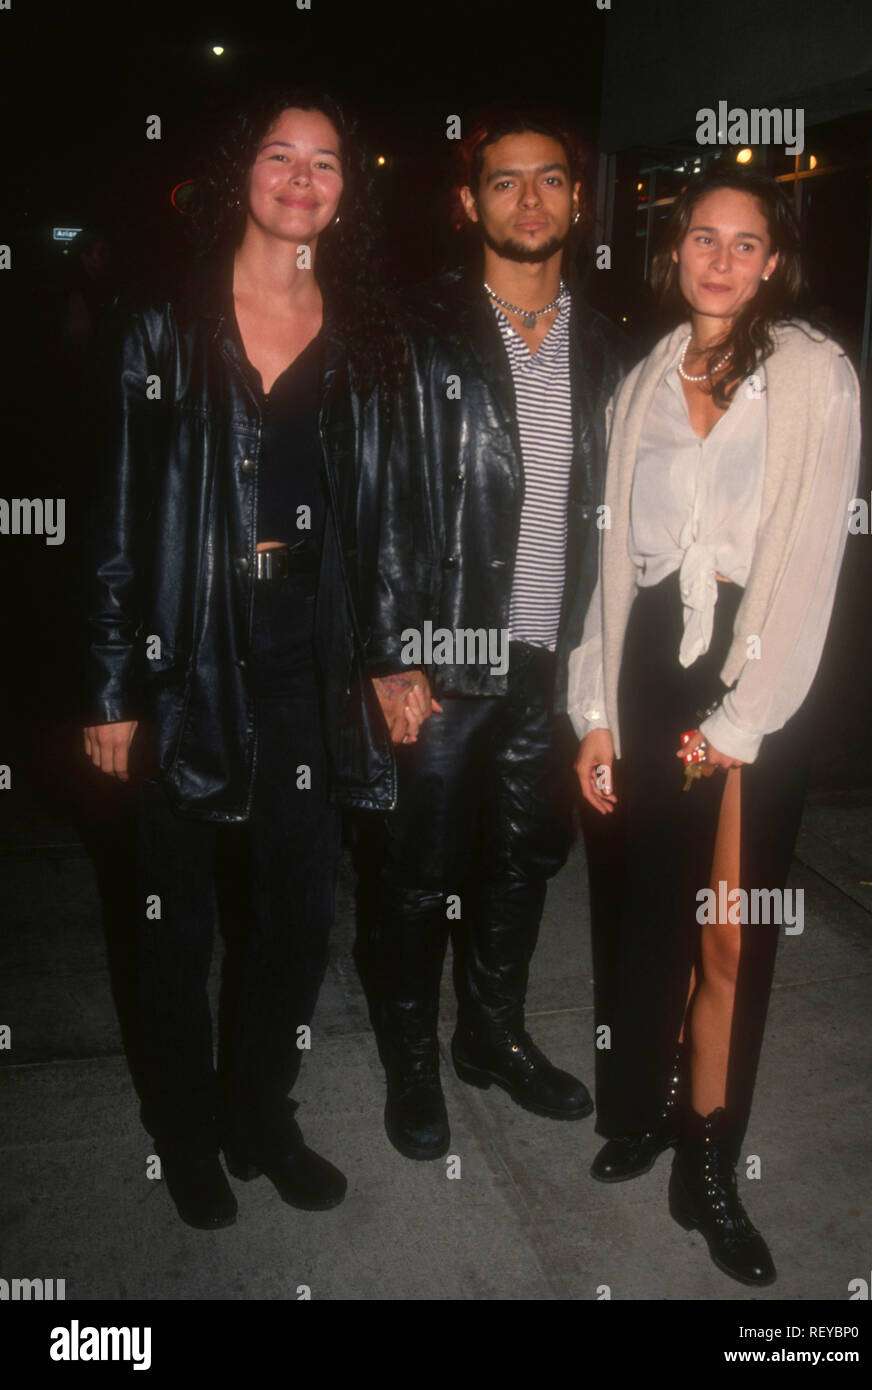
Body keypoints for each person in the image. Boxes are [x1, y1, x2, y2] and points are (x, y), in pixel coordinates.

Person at [82, 88, 430, 1229]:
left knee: (296, 919)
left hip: (308, 659)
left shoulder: (368, 326)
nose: (300, 177)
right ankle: (184, 1130)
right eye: (280, 155)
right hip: (186, 657)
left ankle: (258, 1113)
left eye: (325, 161)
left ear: (347, 193)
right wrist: (111, 684)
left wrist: (389, 656)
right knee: (174, 923)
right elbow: (119, 514)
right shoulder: (163, 324)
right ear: (243, 174)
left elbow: (382, 518)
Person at [568, 166, 860, 1284]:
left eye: (747, 243)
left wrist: (742, 722)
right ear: (673, 251)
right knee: (649, 909)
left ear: (773, 262)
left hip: (751, 662)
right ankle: (642, 1111)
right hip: (647, 661)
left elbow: (811, 564)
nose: (723, 259)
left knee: (730, 929)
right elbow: (609, 568)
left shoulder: (812, 374)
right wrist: (594, 709)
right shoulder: (637, 381)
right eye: (703, 238)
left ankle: (711, 1159)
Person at [363, 107, 627, 1161]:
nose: (531, 200)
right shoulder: (411, 326)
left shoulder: (612, 342)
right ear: (469, 202)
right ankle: (412, 1060)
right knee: (415, 870)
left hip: (553, 661)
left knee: (525, 859)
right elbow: (376, 498)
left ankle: (490, 1033)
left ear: (578, 199)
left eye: (550, 180)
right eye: (506, 182)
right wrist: (390, 650)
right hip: (445, 653)